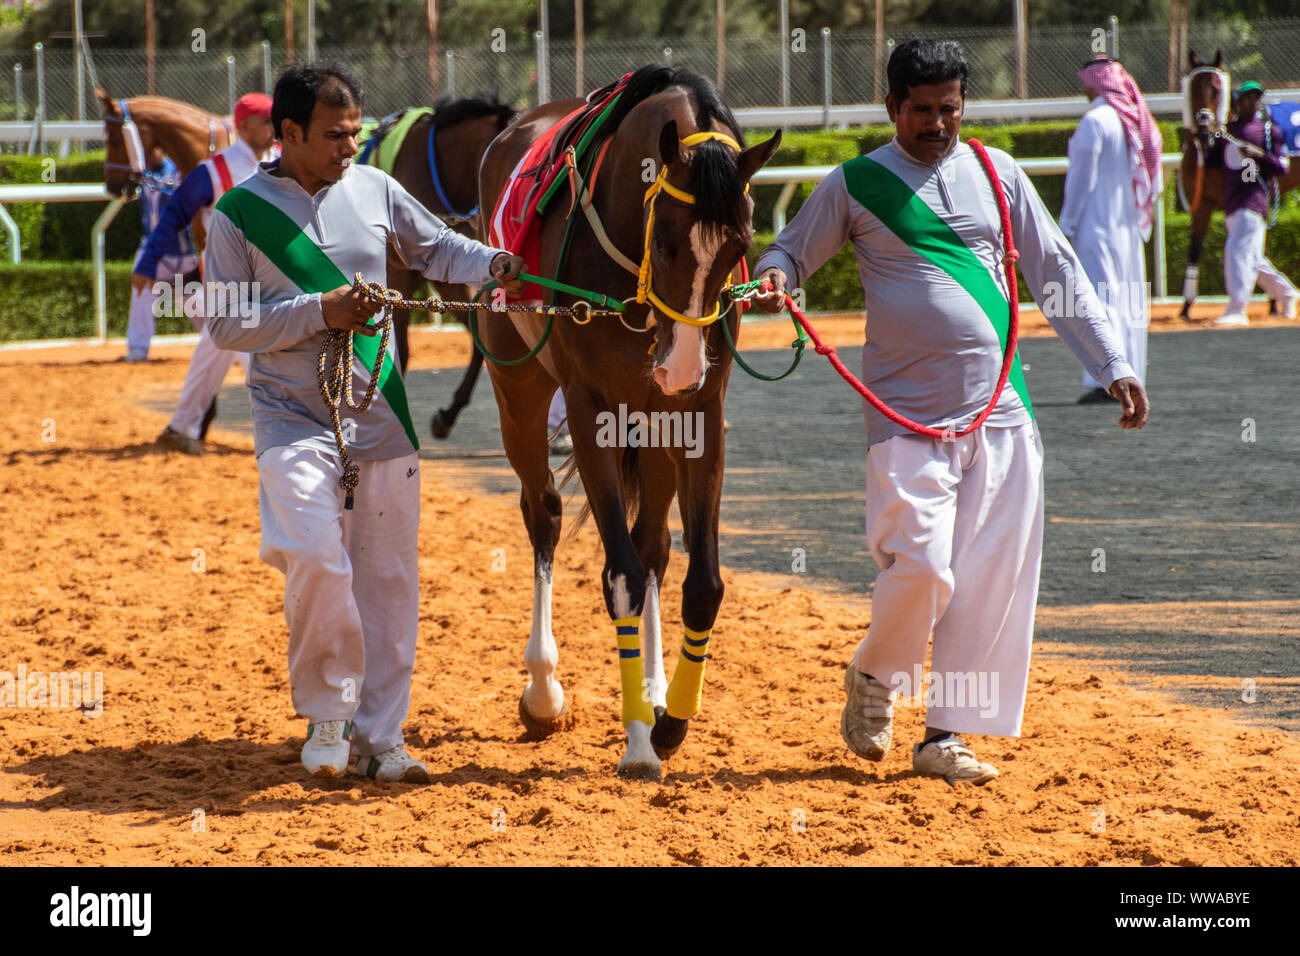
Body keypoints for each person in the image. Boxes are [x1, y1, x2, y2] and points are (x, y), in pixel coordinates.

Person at [752, 39, 1149, 785]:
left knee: (991, 579)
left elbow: (1056, 268)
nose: (938, 124)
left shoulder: (999, 173)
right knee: (926, 568)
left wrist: (1112, 361)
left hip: (1003, 410)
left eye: (950, 110)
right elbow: (789, 252)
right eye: (923, 111)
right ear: (893, 108)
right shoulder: (857, 182)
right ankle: (874, 678)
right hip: (904, 417)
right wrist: (774, 278)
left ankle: (946, 736)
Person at [204, 62, 525, 782]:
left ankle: (383, 737)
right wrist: (321, 310)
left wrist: (497, 263)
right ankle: (328, 711)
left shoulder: (375, 187)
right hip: (290, 418)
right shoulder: (237, 214)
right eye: (333, 135)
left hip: (381, 414)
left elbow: (436, 247)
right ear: (287, 133)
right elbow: (223, 322)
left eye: (354, 132)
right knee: (316, 555)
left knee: (388, 581)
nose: (350, 147)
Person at [135, 93, 278, 454]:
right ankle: (286, 427)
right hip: (231, 284)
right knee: (259, 357)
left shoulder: (281, 162)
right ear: (243, 127)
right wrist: (148, 263)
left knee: (216, 351)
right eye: (266, 120)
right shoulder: (214, 170)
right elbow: (174, 216)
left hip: (264, 284)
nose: (273, 127)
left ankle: (180, 428)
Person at [1060, 56, 1162, 404]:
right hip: (1128, 229)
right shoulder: (1136, 121)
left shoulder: (1095, 121)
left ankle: (1104, 381)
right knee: (1130, 303)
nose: (1085, 87)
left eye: (1087, 81)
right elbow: (1154, 179)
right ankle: (1132, 376)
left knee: (1100, 302)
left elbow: (1080, 181)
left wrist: (1067, 225)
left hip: (1096, 227)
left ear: (1096, 82)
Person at [1213, 81, 1298, 327]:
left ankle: (1237, 308)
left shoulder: (1269, 131)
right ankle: (1286, 293)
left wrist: (1259, 155)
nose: (1252, 102)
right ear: (1237, 101)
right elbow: (1210, 157)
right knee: (1251, 258)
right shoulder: (1227, 131)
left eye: (1256, 97)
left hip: (1253, 200)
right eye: (1247, 97)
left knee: (1237, 251)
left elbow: (1283, 166)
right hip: (1232, 201)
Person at [124, 146, 197, 362]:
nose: (147, 154)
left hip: (183, 253)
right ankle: (137, 348)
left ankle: (225, 345)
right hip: (151, 251)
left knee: (198, 305)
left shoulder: (179, 172)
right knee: (140, 294)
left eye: (151, 149)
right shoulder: (143, 172)